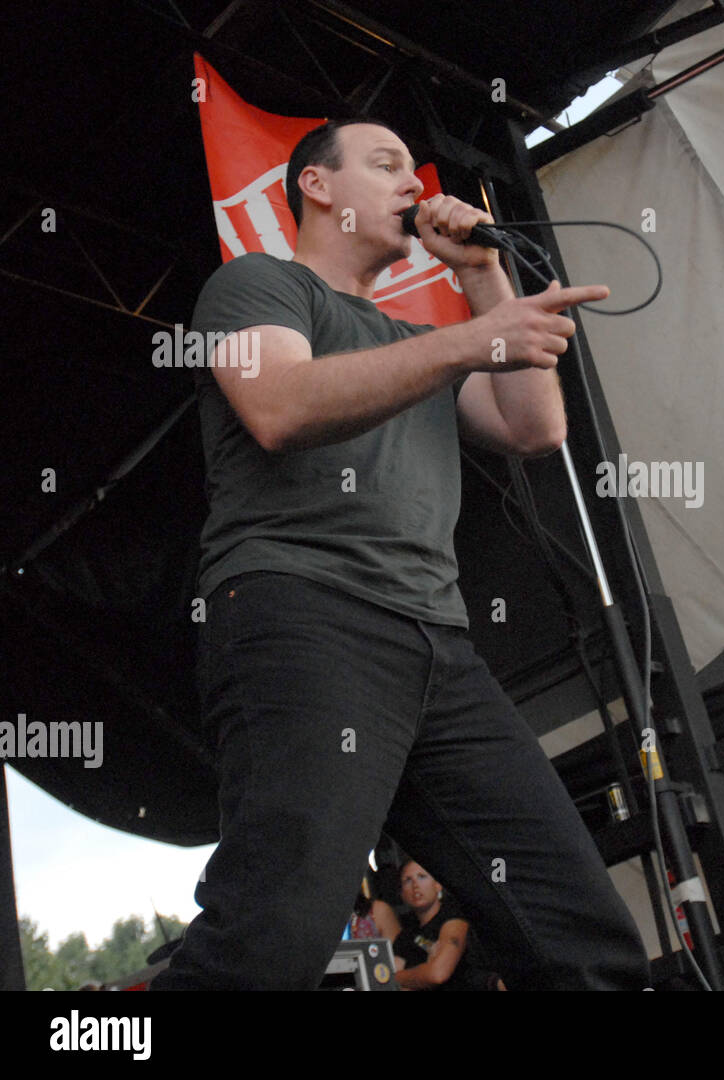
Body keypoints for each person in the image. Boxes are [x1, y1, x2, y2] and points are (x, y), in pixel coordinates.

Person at [152, 118, 648, 990]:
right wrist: (466, 338)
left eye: (413, 169)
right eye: (385, 166)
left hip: (440, 646)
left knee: (576, 925)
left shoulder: (405, 341)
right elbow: (280, 404)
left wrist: (484, 276)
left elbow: (535, 428)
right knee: (274, 933)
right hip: (306, 618)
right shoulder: (255, 285)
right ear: (316, 185)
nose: (412, 184)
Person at [391, 859, 502, 991]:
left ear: (437, 885)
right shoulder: (406, 933)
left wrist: (395, 978)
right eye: (407, 880)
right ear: (402, 893)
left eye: (422, 877)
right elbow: (390, 974)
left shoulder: (454, 917)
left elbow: (437, 974)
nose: (415, 885)